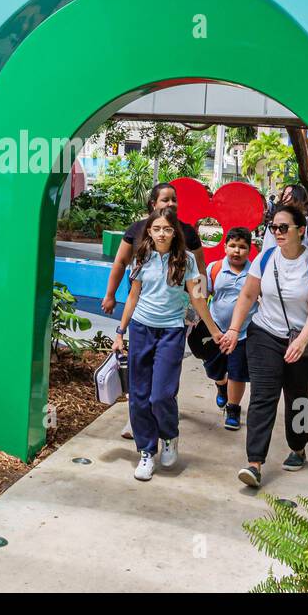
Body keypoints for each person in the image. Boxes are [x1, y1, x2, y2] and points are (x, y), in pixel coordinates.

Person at [218, 203, 308, 488]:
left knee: (297, 396)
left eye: (284, 227)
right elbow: (247, 295)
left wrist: (303, 340)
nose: (278, 232)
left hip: (302, 339)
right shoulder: (265, 259)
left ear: (301, 231)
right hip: (265, 334)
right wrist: (234, 329)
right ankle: (254, 463)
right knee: (263, 397)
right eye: (274, 227)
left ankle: (298, 446)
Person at [112, 206, 224, 481]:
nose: (162, 233)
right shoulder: (141, 258)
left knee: (161, 394)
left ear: (175, 233)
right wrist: (120, 331)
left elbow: (198, 298)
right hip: (140, 329)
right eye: (157, 228)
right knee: (138, 396)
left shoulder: (187, 261)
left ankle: (170, 437)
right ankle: (147, 451)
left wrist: (214, 330)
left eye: (167, 229)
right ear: (149, 231)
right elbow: (133, 298)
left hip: (171, 332)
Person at [102, 182, 206, 316]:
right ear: (153, 204)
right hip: (142, 306)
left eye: (174, 200)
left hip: (177, 309)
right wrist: (110, 295)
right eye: (165, 200)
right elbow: (120, 262)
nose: (171, 204)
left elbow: (200, 269)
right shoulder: (136, 229)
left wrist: (201, 300)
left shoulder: (189, 232)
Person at [204, 226, 252, 430]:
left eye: (242, 247)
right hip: (216, 329)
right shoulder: (213, 268)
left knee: (237, 372)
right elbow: (201, 295)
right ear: (225, 247)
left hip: (244, 332)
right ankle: (220, 386)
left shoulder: (255, 273)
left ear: (249, 250)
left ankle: (233, 409)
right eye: (232, 246)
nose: (236, 251)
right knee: (213, 369)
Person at [280, 184, 308, 256]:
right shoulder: (277, 220)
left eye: (289, 194)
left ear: (298, 197)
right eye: (284, 193)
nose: (285, 196)